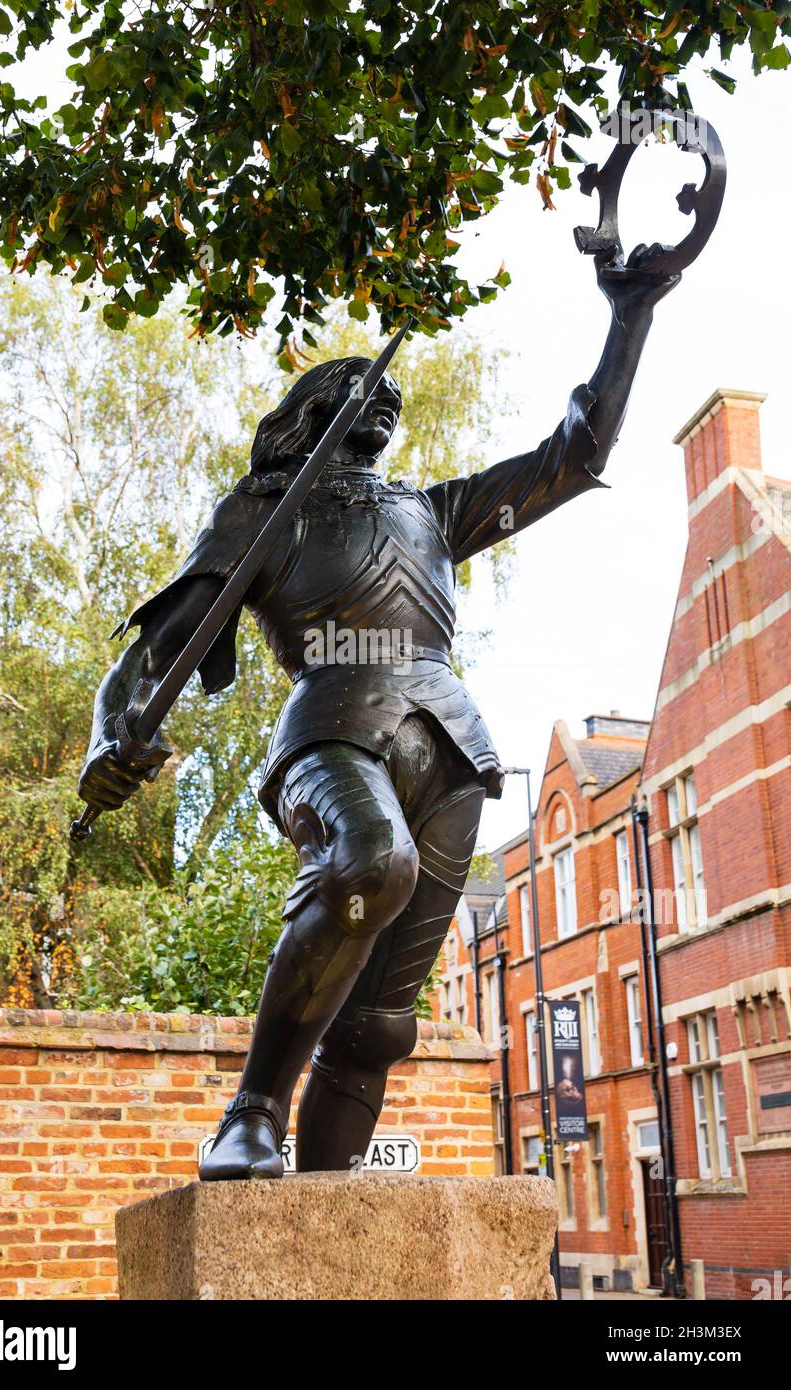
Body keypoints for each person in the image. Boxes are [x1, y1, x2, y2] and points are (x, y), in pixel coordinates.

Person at [78, 248, 679, 1179]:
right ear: (312, 412)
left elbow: (574, 456)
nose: (382, 394)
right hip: (330, 730)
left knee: (380, 1023)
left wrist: (629, 316)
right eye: (357, 386)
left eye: (387, 388)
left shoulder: (433, 514)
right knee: (369, 861)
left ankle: (327, 1198)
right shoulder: (265, 510)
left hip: (451, 746)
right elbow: (154, 650)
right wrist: (108, 738)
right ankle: (252, 1113)